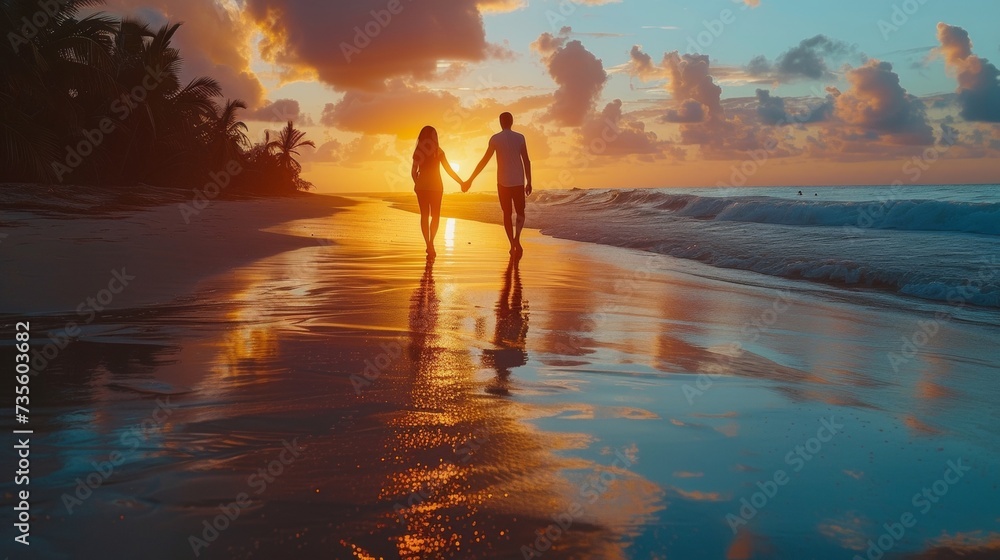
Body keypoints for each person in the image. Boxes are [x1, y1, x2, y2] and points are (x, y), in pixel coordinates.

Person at [463, 112, 532, 254]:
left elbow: (484, 161)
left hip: (502, 182)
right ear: (512, 122)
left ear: (500, 123)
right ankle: (517, 239)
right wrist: (529, 181)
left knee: (506, 214)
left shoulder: (495, 139)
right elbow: (526, 160)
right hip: (518, 181)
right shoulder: (520, 138)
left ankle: (511, 243)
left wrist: (470, 179)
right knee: (520, 213)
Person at [412, 125, 464, 257]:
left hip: (421, 187)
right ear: (431, 137)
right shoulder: (438, 151)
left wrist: (418, 182)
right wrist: (461, 182)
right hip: (436, 188)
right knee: (435, 216)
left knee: (424, 215)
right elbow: (449, 170)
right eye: (435, 135)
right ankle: (431, 243)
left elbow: (413, 172)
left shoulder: (418, 151)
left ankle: (428, 245)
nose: (436, 137)